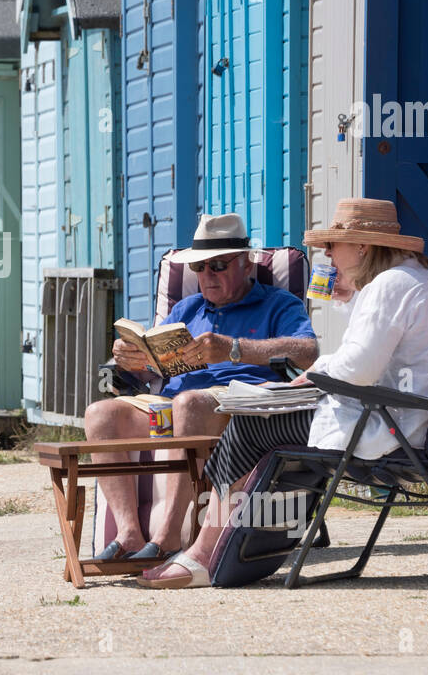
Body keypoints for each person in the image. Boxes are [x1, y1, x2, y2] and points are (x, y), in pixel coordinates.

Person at [138, 197, 428, 588]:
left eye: (333, 244)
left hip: (395, 427)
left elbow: (355, 369)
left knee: (250, 425)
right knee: (260, 420)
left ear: (362, 246)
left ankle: (203, 552)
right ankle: (220, 546)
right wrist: (349, 303)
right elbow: (372, 359)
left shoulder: (390, 285)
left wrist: (308, 378)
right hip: (419, 423)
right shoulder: (417, 283)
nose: (326, 253)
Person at [84, 213, 319, 561]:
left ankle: (169, 536)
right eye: (200, 268)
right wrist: (130, 359)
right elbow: (153, 365)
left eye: (218, 265)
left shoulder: (279, 303)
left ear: (246, 263)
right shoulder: (186, 308)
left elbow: (309, 353)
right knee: (100, 414)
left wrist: (234, 349)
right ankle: (130, 533)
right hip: (171, 403)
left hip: (238, 408)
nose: (207, 276)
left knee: (188, 404)